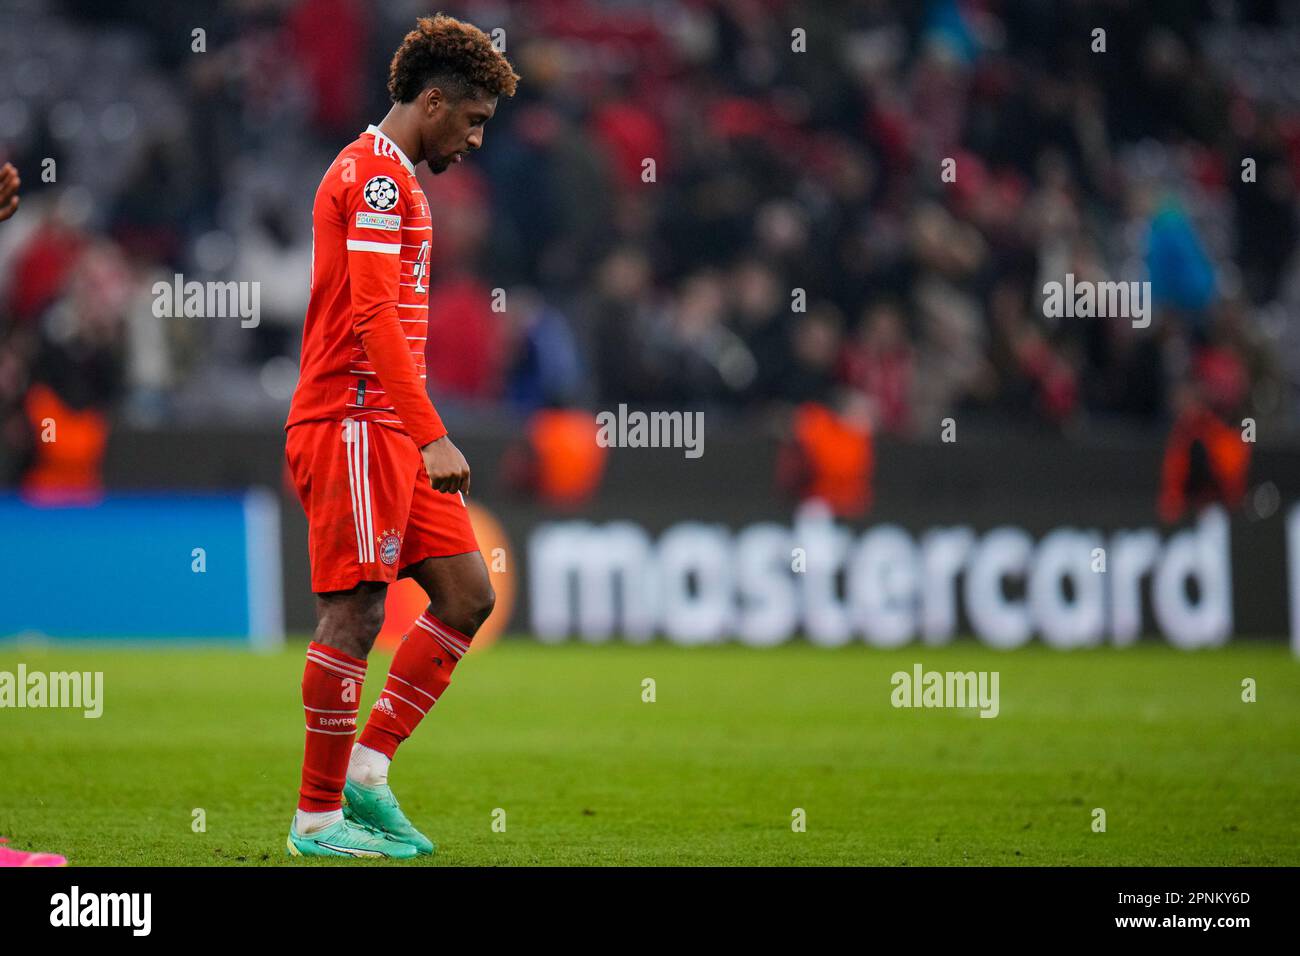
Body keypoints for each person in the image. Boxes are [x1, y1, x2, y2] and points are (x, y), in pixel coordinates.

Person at [282, 14, 518, 859]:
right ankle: (315, 820)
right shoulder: (376, 179)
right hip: (353, 420)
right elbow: (374, 314)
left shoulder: (397, 179)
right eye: (475, 119)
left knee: (466, 594)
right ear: (431, 100)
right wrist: (431, 434)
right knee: (354, 612)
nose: (478, 138)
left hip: (388, 428)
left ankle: (368, 772)